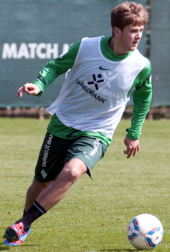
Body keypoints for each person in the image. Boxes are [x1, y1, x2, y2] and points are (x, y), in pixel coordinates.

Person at [4, 1, 152, 246]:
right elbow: (55, 66)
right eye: (133, 30)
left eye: (141, 29)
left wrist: (133, 133)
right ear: (117, 31)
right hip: (63, 124)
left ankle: (23, 224)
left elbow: (144, 97)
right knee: (40, 183)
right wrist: (38, 85)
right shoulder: (86, 46)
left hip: (98, 132)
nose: (138, 35)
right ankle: (23, 223)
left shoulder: (141, 66)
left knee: (72, 171)